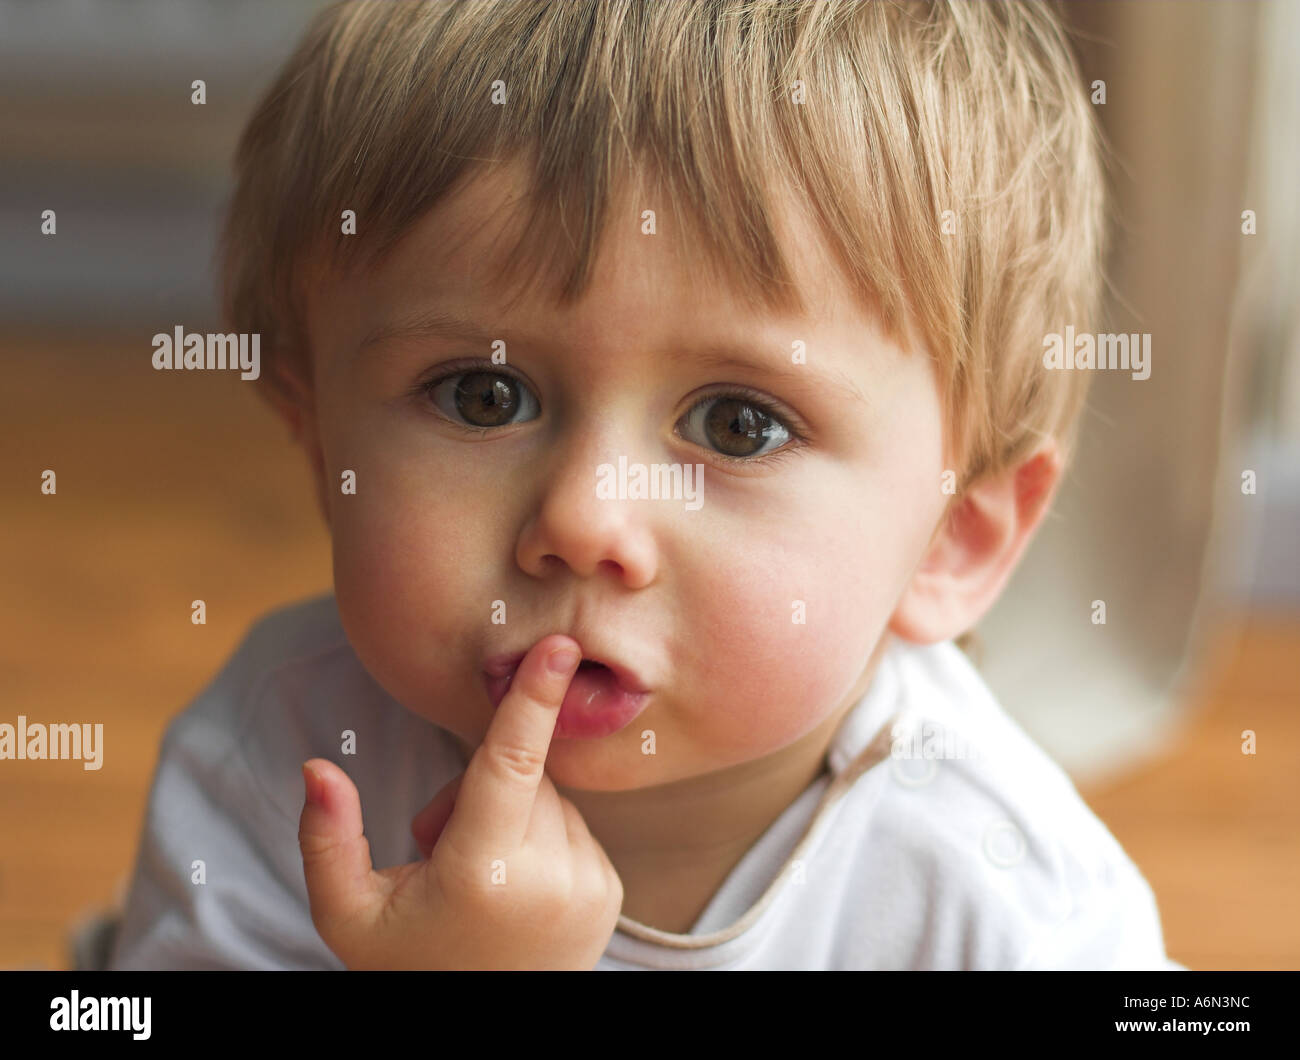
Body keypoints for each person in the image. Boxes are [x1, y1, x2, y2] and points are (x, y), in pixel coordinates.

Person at [108, 0, 1182, 970]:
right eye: (483, 395)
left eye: (737, 424)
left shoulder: (1015, 903)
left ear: (956, 537)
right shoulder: (281, 756)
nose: (582, 518)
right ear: (314, 435)